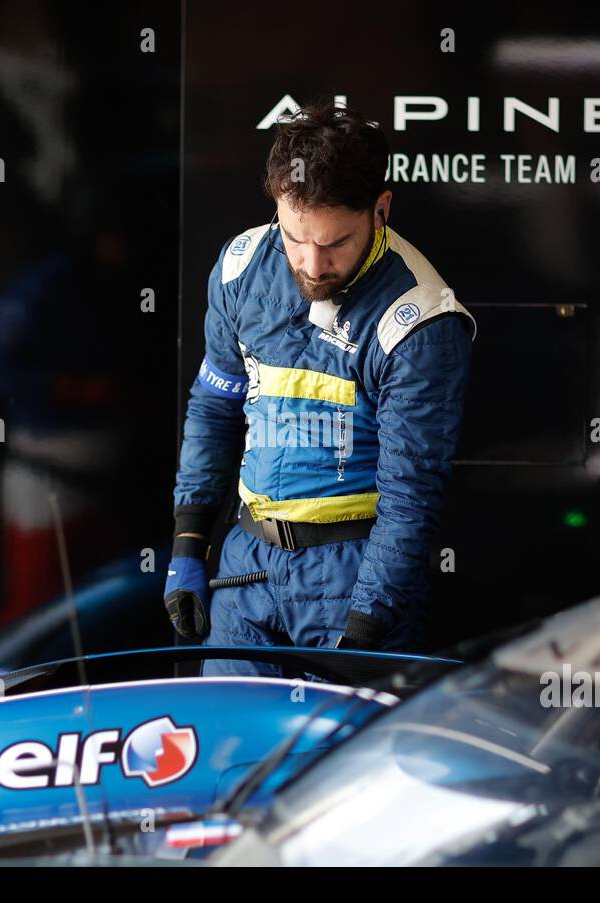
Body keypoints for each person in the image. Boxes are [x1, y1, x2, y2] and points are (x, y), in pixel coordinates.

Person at [164, 101, 476, 676]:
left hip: (353, 577)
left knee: (336, 765)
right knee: (232, 760)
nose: (312, 263)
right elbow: (214, 409)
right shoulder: (239, 268)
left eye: (335, 242)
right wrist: (188, 543)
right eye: (293, 236)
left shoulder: (421, 319)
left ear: (380, 210)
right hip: (245, 568)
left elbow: (411, 498)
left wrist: (368, 622)